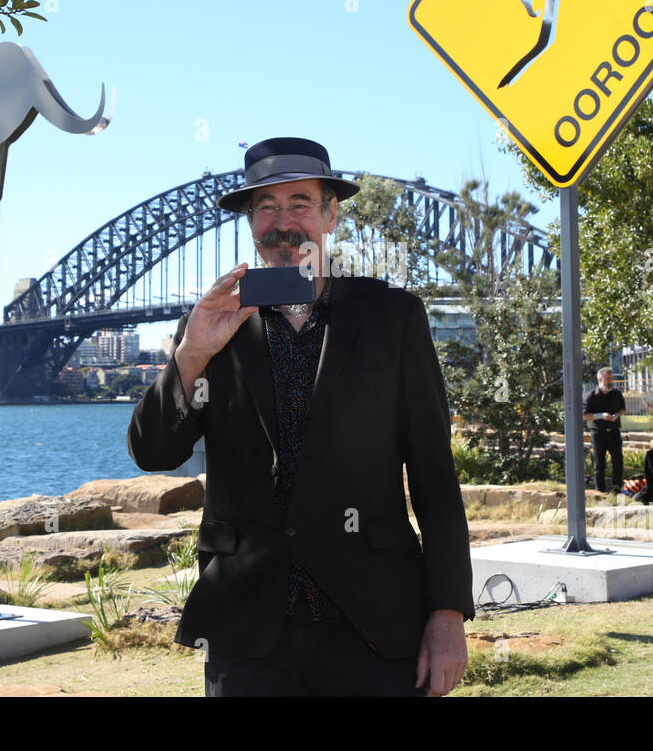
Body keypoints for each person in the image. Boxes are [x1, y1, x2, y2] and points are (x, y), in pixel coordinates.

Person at [126, 137, 474, 695]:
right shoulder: (213, 327)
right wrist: (191, 354)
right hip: (248, 633)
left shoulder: (393, 319)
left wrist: (449, 614)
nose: (282, 222)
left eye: (299, 203)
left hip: (374, 625)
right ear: (249, 223)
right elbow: (154, 453)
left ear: (331, 214)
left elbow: (435, 479)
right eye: (265, 207)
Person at [584, 366, 626, 493]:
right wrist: (601, 416)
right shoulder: (590, 396)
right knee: (599, 463)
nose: (610, 381)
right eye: (607, 379)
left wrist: (616, 416)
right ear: (599, 379)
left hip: (613, 431)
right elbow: (585, 416)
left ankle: (617, 488)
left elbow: (622, 410)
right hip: (598, 433)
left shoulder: (617, 394)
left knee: (618, 461)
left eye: (611, 378)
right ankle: (600, 491)